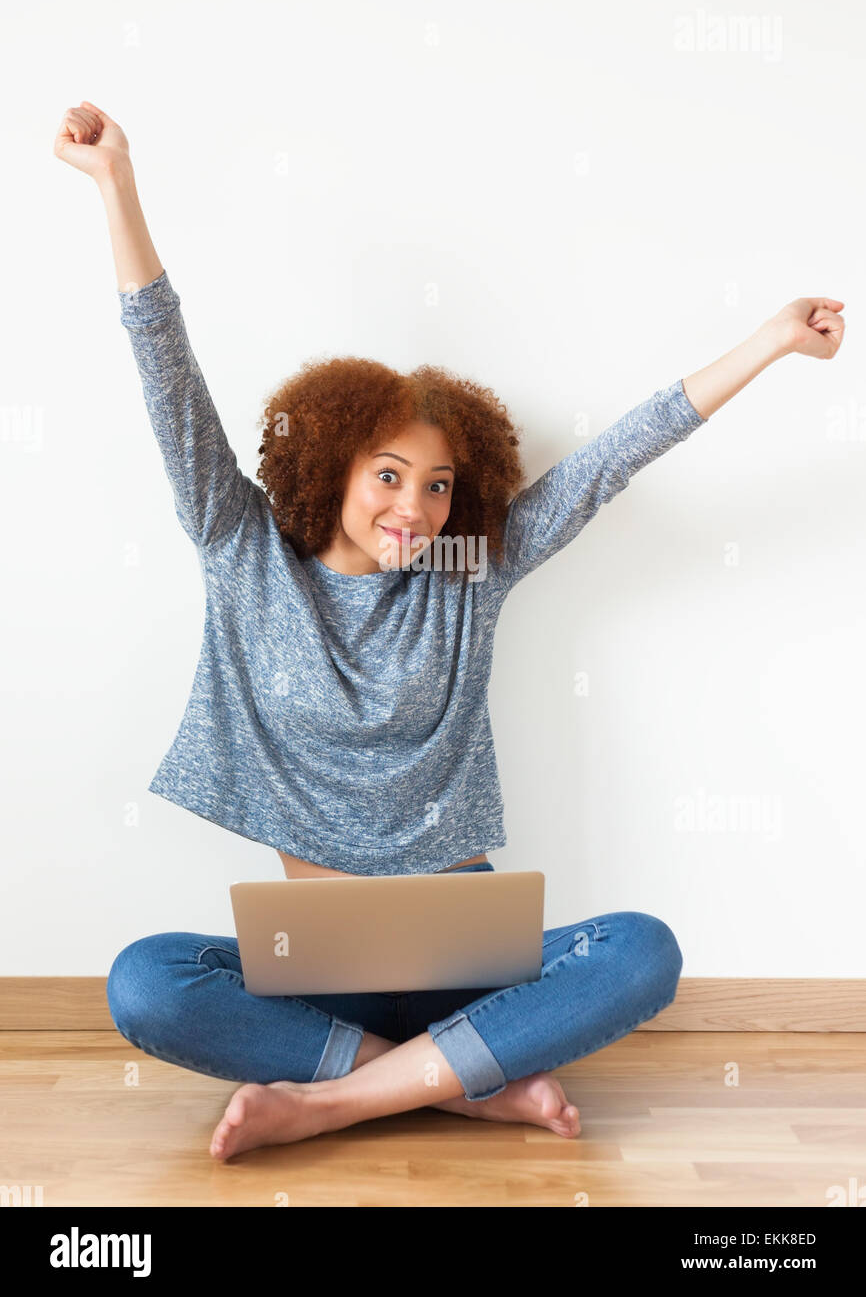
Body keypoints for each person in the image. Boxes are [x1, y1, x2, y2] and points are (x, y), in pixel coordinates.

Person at [54, 101, 845, 1162]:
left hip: (466, 955)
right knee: (145, 982)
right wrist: (117, 185)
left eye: (435, 485)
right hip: (315, 961)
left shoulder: (466, 572)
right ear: (329, 464)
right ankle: (457, 1079)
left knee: (640, 951)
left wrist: (770, 341)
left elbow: (610, 461)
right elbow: (166, 372)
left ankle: (340, 1096)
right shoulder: (240, 549)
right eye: (388, 476)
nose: (413, 510)